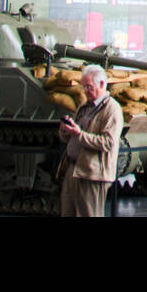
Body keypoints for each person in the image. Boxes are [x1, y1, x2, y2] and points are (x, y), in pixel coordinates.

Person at [57, 64, 123, 217]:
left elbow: (109, 143)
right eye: (83, 87)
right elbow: (70, 137)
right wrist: (66, 130)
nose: (85, 91)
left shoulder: (112, 109)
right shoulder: (84, 107)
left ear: (101, 84)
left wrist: (80, 134)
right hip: (74, 170)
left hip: (93, 174)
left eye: (89, 87)